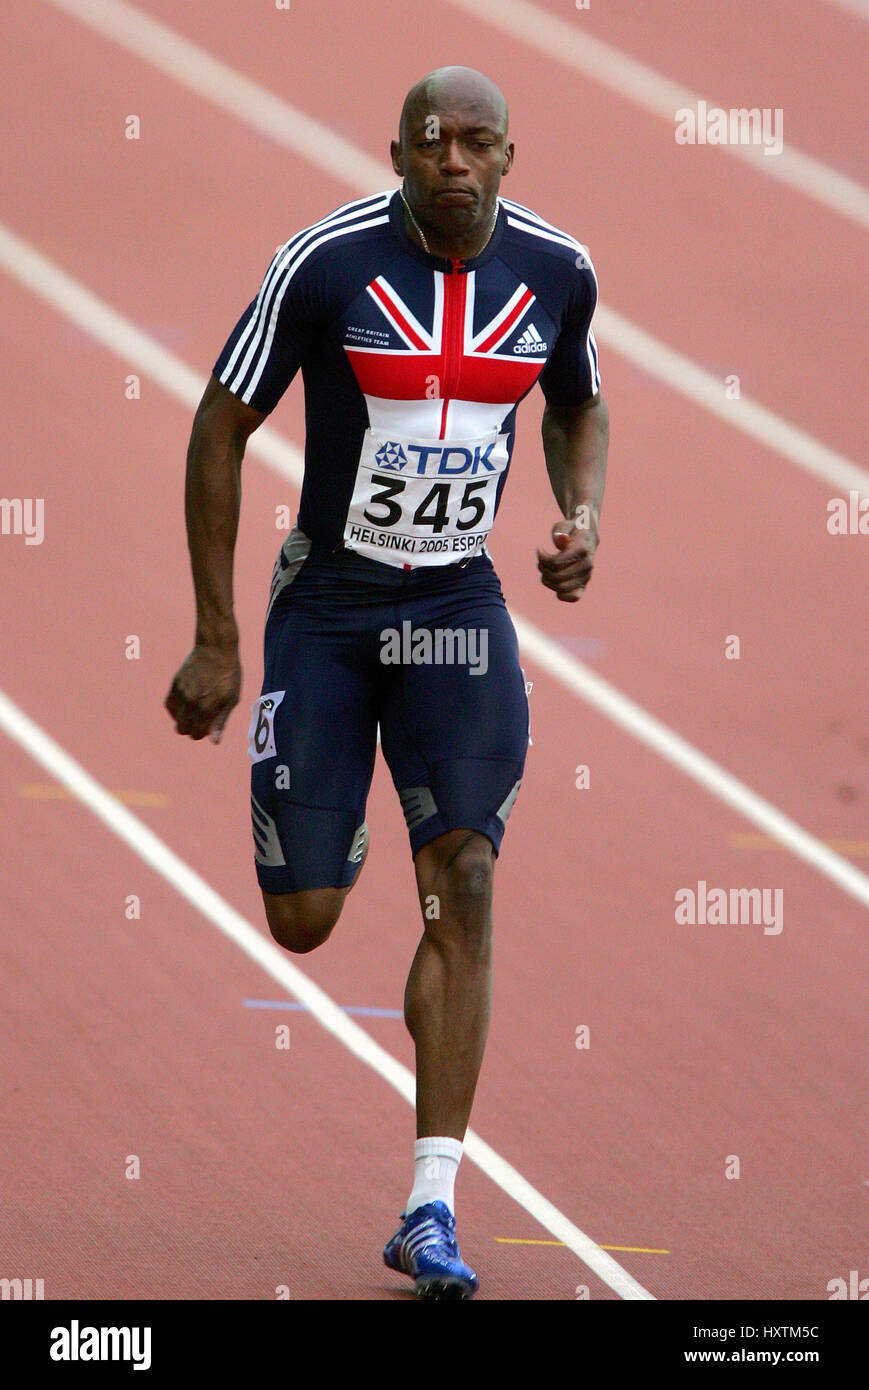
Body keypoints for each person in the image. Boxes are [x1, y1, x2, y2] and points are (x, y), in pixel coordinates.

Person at [165, 65, 608, 1300]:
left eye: (477, 143)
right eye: (432, 141)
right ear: (397, 152)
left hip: (455, 602)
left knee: (462, 878)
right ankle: (335, 829)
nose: (454, 161)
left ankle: (428, 1205)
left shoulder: (557, 272)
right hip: (333, 605)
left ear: (510, 159)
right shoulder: (324, 262)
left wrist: (581, 514)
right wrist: (216, 636)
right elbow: (216, 423)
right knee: (302, 917)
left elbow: (579, 405)